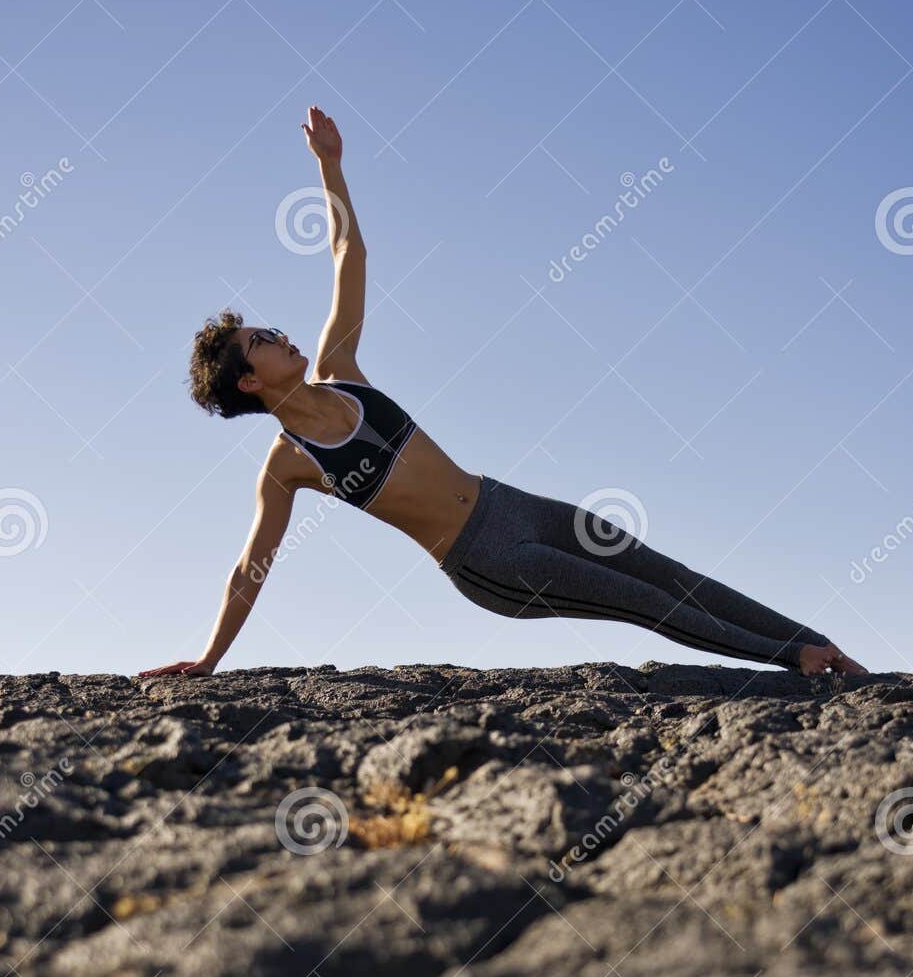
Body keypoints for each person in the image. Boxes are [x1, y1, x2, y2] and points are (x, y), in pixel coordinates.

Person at [139, 108, 866, 682]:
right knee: (644, 602)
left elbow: (346, 252)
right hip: (489, 563)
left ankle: (822, 647)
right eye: (263, 342)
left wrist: (330, 166)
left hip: (510, 503)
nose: (281, 336)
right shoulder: (288, 463)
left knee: (666, 572)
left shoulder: (340, 367)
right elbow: (251, 567)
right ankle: (796, 661)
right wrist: (207, 660)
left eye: (271, 329)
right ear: (249, 381)